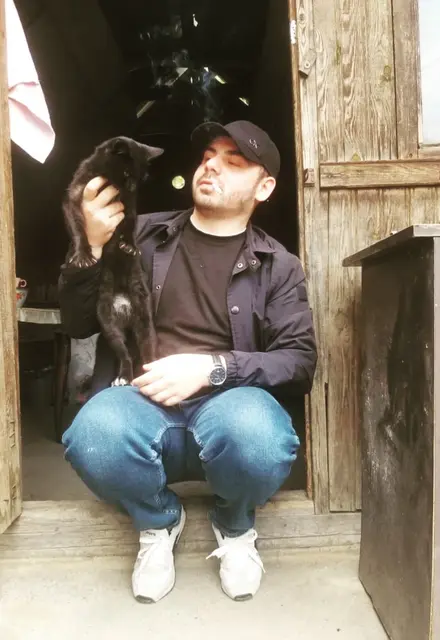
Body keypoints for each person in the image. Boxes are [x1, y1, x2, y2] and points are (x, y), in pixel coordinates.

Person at [59, 120, 317, 603]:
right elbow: (76, 323)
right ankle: (158, 521)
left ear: (264, 188)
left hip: (229, 408)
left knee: (261, 439)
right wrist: (90, 245)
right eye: (207, 157)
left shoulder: (278, 265)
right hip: (142, 404)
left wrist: (212, 368)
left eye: (233, 162)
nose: (212, 166)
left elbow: (299, 362)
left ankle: (234, 525)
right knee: (93, 436)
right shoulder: (140, 235)